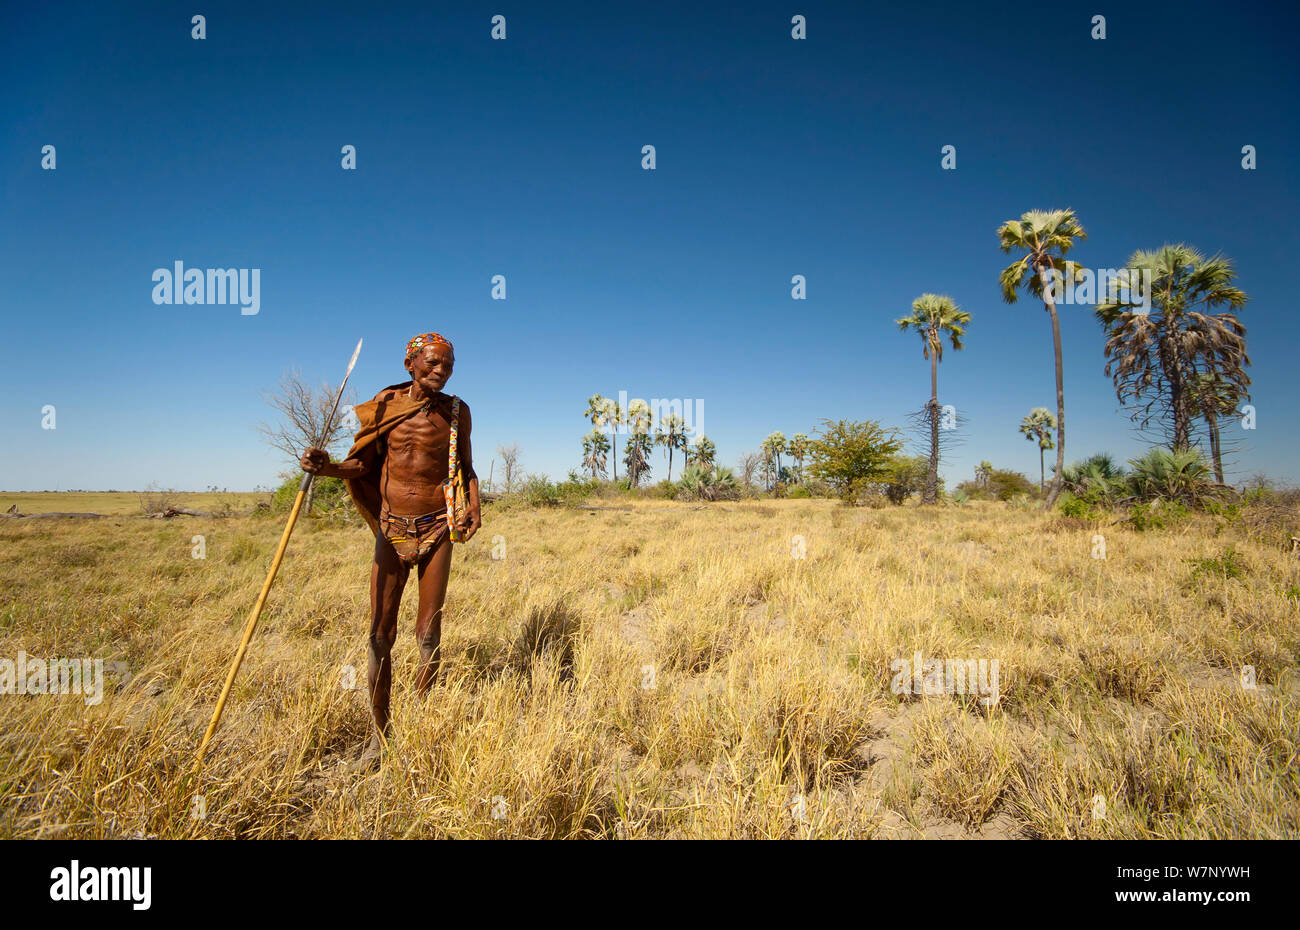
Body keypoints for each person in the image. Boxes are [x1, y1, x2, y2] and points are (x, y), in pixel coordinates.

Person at [300, 332, 481, 767]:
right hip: (391, 528)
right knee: (380, 636)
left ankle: (420, 718)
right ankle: (380, 736)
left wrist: (473, 504)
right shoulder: (386, 406)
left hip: (437, 526)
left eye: (449, 365)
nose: (442, 370)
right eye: (434, 363)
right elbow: (361, 463)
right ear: (411, 364)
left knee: (429, 635)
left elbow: (466, 467)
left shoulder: (458, 412)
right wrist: (326, 468)